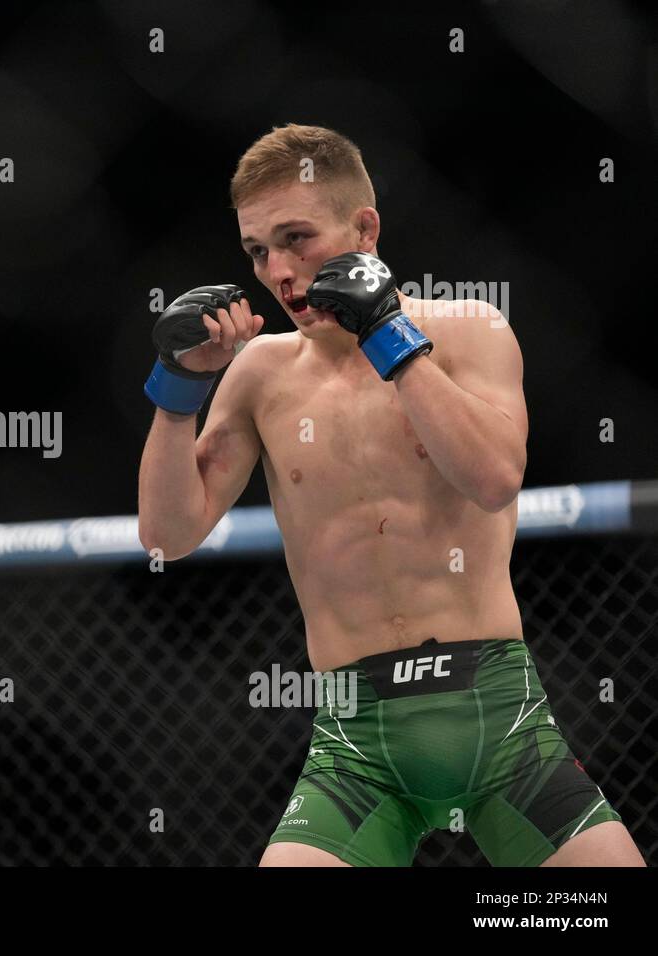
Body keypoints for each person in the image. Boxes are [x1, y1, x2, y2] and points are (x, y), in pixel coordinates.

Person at [137, 124, 645, 867]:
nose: (278, 270)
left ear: (364, 228)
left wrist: (387, 335)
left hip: (501, 720)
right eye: (256, 251)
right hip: (354, 743)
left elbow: (495, 477)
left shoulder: (471, 330)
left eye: (296, 237)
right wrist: (177, 390)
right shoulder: (259, 375)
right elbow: (166, 536)